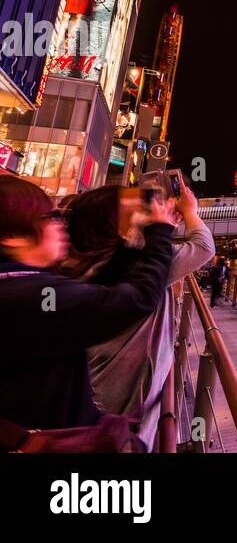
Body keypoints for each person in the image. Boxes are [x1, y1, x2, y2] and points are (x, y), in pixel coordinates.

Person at [0, 177, 175, 446]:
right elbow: (137, 298)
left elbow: (107, 289)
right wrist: (160, 231)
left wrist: (132, 241)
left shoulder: (21, 283)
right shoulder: (33, 296)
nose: (60, 224)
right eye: (49, 216)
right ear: (12, 237)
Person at [59, 178, 215, 451]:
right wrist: (190, 212)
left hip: (91, 400)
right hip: (125, 414)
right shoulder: (139, 266)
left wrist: (161, 232)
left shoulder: (79, 264)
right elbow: (204, 246)